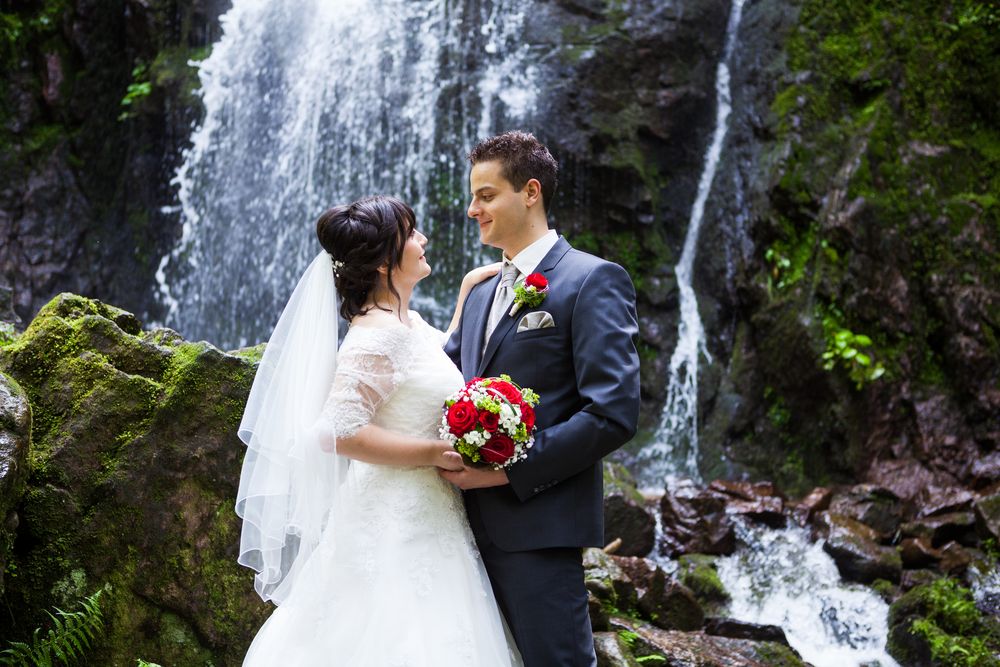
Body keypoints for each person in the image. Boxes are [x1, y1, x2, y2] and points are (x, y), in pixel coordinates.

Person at [236, 195, 521, 666]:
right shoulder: (375, 334)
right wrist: (433, 452)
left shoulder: (403, 323)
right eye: (411, 234)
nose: (423, 239)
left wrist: (470, 290)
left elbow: (428, 363)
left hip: (431, 515)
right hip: (394, 518)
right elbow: (336, 433)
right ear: (386, 263)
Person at [441, 131, 641, 666]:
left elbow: (613, 412)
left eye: (486, 195)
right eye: (473, 196)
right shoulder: (481, 292)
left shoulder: (591, 280)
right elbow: (443, 382)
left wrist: (508, 470)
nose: (471, 209)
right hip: (452, 532)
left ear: (530, 192)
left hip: (537, 530)